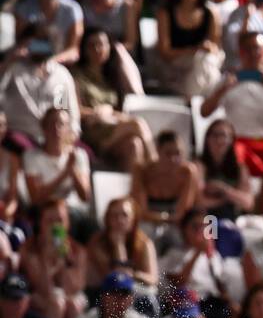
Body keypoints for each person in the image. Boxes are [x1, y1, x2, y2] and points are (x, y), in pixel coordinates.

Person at [200, 30, 263, 176]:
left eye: (257, 48)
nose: (252, 53)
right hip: (235, 143)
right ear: (241, 51)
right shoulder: (228, 79)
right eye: (248, 49)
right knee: (234, 155)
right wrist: (223, 90)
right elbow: (204, 111)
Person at [73, 27, 154, 170]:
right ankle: (156, 166)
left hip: (113, 127)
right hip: (93, 131)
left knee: (134, 144)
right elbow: (72, 110)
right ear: (84, 49)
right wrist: (96, 113)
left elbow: (115, 110)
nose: (98, 49)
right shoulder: (76, 76)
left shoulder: (112, 76)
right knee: (138, 124)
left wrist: (109, 112)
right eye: (92, 45)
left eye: (102, 44)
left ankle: (135, 189)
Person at [160, 207, 244, 318]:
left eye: (204, 227)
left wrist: (231, 303)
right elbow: (178, 283)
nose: (200, 231)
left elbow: (219, 285)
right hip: (186, 303)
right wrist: (198, 252)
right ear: (184, 229)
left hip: (210, 302)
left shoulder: (212, 255)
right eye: (195, 227)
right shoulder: (174, 254)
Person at [19, 198, 87, 318]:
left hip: (68, 299)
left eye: (60, 220)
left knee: (73, 304)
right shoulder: (29, 248)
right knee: (56, 303)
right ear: (41, 223)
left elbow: (73, 288)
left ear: (67, 223)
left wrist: (63, 259)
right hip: (39, 297)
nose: (56, 226)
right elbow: (41, 288)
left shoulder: (77, 250)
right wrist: (46, 259)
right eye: (50, 221)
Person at [0, 31, 80, 145]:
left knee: (84, 154)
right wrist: (8, 62)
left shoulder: (61, 75)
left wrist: (72, 135)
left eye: (43, 43)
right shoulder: (13, 69)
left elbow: (69, 110)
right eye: (34, 43)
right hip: (20, 132)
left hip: (54, 136)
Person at [155, 0, 223, 98]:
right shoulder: (165, 13)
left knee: (207, 61)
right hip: (173, 67)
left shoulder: (211, 13)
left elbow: (215, 47)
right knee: (206, 64)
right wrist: (194, 50)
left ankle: (191, 99)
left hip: (202, 65)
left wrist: (206, 48)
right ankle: (203, 102)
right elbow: (165, 52)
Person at [22, 107, 91, 223]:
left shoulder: (79, 155)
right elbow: (36, 198)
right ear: (44, 128)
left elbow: (85, 196)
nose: (56, 129)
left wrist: (73, 171)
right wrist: (65, 173)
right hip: (43, 210)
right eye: (51, 124)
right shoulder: (31, 156)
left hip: (71, 210)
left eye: (61, 124)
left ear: (68, 128)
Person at [131, 131, 198, 239]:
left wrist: (166, 219)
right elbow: (140, 211)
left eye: (178, 153)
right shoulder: (142, 170)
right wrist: (164, 218)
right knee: (142, 234)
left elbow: (183, 211)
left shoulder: (187, 172)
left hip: (176, 223)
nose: (173, 159)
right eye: (168, 153)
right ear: (158, 151)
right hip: (146, 222)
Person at [86, 195, 158, 294]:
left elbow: (152, 279)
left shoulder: (144, 243)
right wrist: (119, 245)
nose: (119, 220)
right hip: (104, 292)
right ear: (107, 219)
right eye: (114, 215)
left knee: (150, 293)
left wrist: (133, 275)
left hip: (134, 289)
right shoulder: (97, 242)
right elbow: (118, 278)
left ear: (134, 218)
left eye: (125, 215)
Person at [15, 0, 84, 69]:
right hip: (29, 64)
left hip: (61, 66)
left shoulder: (73, 9)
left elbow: (73, 51)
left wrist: (51, 62)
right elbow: (20, 45)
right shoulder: (24, 8)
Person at [197, 118, 254, 221]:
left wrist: (224, 190)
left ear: (231, 140)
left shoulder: (239, 168)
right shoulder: (199, 165)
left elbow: (248, 203)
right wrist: (225, 200)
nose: (219, 140)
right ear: (207, 138)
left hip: (231, 220)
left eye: (223, 136)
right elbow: (197, 200)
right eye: (215, 135)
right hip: (205, 218)